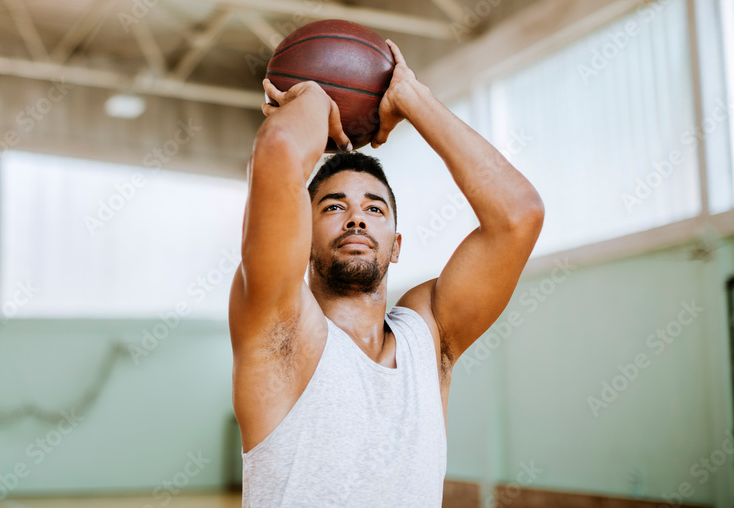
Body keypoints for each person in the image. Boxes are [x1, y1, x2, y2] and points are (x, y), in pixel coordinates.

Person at [229, 39, 544, 507]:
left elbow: (519, 215)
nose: (355, 218)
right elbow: (278, 149)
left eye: (374, 209)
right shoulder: (278, 329)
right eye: (334, 206)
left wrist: (413, 99)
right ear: (304, 237)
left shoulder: (429, 337)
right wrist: (315, 97)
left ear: (396, 246)